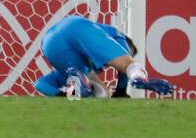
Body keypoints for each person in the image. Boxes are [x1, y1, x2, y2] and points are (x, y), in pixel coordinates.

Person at [33, 15, 173, 98]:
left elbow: (40, 84)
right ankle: (139, 77)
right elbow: (123, 68)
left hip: (49, 45)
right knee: (128, 65)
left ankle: (81, 89)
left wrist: (61, 94)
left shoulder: (64, 72)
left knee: (90, 83)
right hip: (76, 27)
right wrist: (121, 91)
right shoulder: (115, 35)